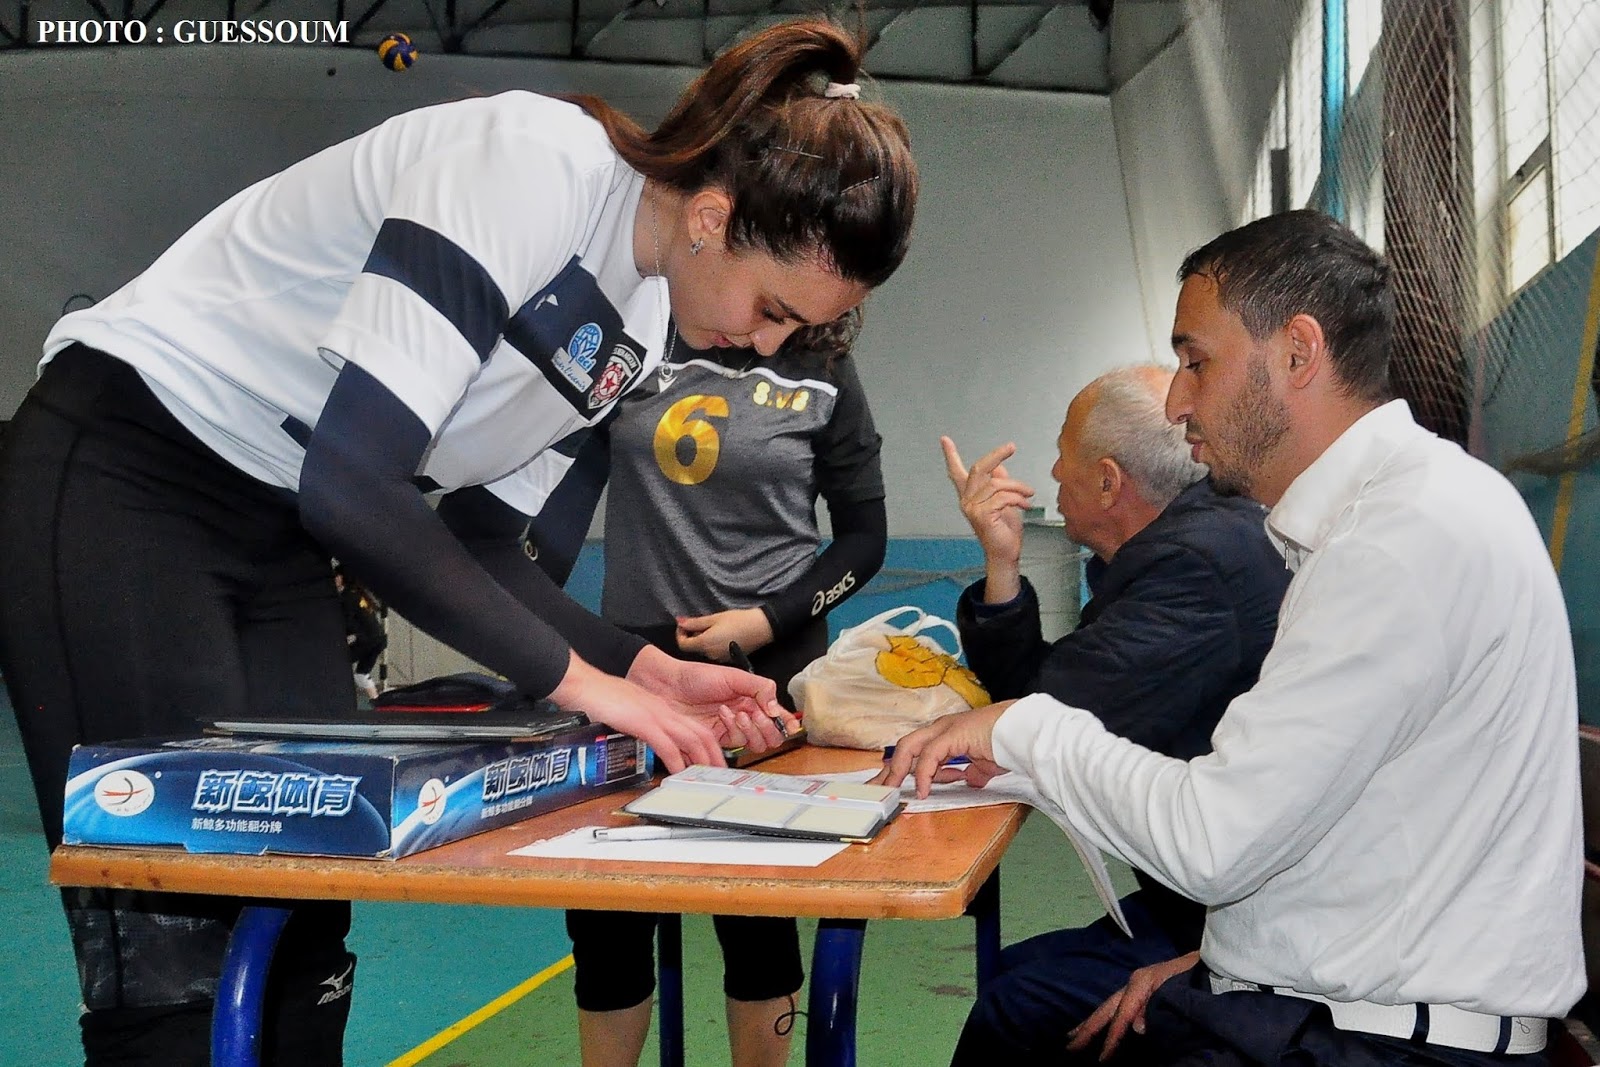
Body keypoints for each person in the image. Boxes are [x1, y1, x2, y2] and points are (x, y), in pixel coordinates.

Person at [0, 17, 917, 1065]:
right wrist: (584, 682)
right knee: (174, 927)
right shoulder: (535, 165)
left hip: (276, 521)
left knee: (305, 901)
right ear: (713, 214)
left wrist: (646, 667)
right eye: (771, 308)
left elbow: (488, 547)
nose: (765, 345)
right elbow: (356, 484)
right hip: (129, 467)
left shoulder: (643, 316)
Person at [884, 210, 1584, 1067]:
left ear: (1297, 352)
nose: (1178, 402)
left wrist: (1022, 727)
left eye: (1195, 361)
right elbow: (1337, 822)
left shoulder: (1403, 538)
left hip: (1378, 1044)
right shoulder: (1390, 515)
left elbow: (1212, 842)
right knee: (1034, 1012)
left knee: (1025, 1024)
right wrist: (1221, 960)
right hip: (1342, 1005)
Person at [530, 313, 886, 1066]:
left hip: (765, 681)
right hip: (633, 672)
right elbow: (554, 489)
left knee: (757, 913)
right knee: (607, 913)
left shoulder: (824, 367)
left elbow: (865, 538)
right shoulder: (640, 332)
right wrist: (529, 631)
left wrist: (770, 619)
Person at [939, 364, 1290, 1065]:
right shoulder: (1189, 545)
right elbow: (1051, 695)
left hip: (1255, 924)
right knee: (1014, 975)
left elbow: (1041, 708)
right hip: (1217, 901)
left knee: (1014, 1010)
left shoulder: (1195, 569)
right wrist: (1002, 563)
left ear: (1107, 480)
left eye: (1062, 454)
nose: (1050, 472)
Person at [333, 564, 386, 700]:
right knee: (361, 675)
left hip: (367, 639)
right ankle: (377, 704)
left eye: (336, 576)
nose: (334, 579)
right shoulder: (357, 594)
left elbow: (347, 622)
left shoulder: (347, 597)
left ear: (341, 578)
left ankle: (341, 699)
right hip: (377, 639)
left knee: (338, 661)